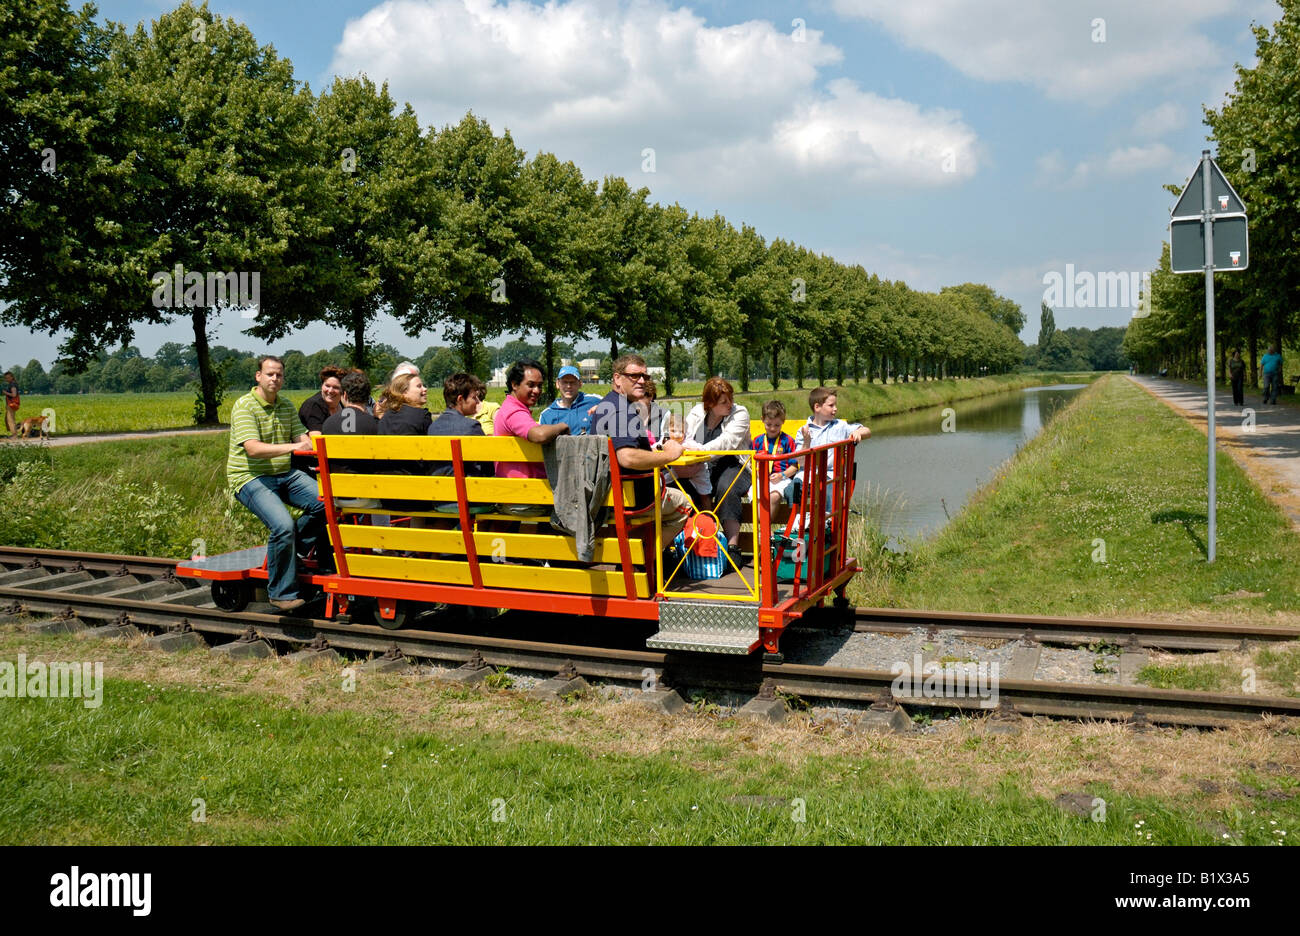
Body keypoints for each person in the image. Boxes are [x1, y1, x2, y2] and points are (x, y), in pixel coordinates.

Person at [226, 355, 325, 611]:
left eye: (279, 374)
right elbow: (253, 449)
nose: (275, 378)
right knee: (283, 525)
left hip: (285, 474)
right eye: (270, 374)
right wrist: (295, 446)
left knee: (327, 502)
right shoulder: (244, 406)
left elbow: (302, 437)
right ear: (258, 376)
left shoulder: (286, 405)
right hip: (251, 477)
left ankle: (292, 551)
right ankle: (281, 594)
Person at [591, 353, 693, 541]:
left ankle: (635, 556)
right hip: (633, 500)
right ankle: (643, 560)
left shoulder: (606, 404)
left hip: (607, 496)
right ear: (617, 378)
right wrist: (670, 455)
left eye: (645, 376)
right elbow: (627, 457)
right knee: (685, 503)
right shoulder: (622, 411)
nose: (641, 381)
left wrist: (651, 453)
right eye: (634, 376)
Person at [681, 378, 752, 549]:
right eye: (724, 402)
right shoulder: (697, 412)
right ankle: (693, 545)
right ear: (710, 403)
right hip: (702, 466)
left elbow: (727, 442)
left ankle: (733, 547)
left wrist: (699, 453)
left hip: (733, 464)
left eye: (731, 399)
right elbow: (684, 436)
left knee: (726, 487)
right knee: (683, 487)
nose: (730, 404)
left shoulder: (740, 413)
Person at [494, 360, 569, 517]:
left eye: (540, 385)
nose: (537, 390)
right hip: (526, 496)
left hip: (514, 493)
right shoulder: (514, 412)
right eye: (531, 385)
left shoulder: (508, 408)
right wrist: (562, 426)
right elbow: (539, 435)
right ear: (514, 385)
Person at [321, 369, 387, 525]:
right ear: (367, 397)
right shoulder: (375, 425)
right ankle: (383, 547)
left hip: (337, 497)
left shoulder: (328, 424)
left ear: (344, 395)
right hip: (368, 497)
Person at [428, 372, 493, 513]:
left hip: (440, 500)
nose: (477, 401)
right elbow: (488, 466)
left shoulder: (433, 427)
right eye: (473, 397)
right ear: (460, 399)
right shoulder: (471, 427)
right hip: (469, 499)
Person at [375, 371, 433, 515]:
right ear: (404, 393)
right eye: (419, 386)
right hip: (417, 496)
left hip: (387, 496)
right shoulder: (422, 416)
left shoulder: (384, 418)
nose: (424, 389)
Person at [800, 386, 870, 481]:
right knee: (790, 491)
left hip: (831, 476)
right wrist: (806, 443)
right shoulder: (804, 431)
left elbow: (867, 431)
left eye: (835, 405)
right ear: (817, 407)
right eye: (831, 405)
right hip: (806, 476)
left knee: (828, 493)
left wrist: (858, 432)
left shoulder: (840, 426)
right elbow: (801, 462)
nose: (835, 408)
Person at [753, 400, 800, 522]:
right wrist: (756, 471)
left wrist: (782, 475)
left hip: (781, 479)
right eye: (769, 424)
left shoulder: (788, 441)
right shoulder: (757, 441)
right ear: (762, 420)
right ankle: (761, 531)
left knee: (774, 496)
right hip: (760, 479)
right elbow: (750, 462)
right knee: (757, 500)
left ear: (783, 422)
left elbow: (795, 466)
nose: (773, 428)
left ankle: (765, 533)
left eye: (777, 425)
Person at [539, 365, 603, 435]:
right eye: (564, 382)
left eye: (572, 382)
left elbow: (615, 403)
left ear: (580, 384)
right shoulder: (547, 415)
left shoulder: (593, 401)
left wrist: (606, 407)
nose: (568, 386)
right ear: (557, 384)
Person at [299, 365, 347, 436]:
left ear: (343, 390)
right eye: (327, 386)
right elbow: (317, 440)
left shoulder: (343, 404)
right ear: (322, 386)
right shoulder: (314, 405)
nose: (330, 391)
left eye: (336, 387)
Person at [3, 371, 18, 437]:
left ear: (12, 377)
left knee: (10, 420)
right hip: (10, 404)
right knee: (7, 419)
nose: (7, 379)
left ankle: (14, 435)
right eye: (6, 378)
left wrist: (5, 393)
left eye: (8, 377)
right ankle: (14, 433)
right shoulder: (12, 384)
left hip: (11, 404)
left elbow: (14, 395)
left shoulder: (13, 385)